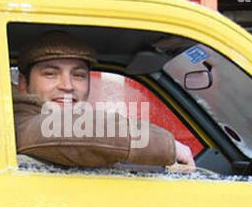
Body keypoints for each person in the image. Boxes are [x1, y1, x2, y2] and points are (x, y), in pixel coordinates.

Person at [12, 31, 195, 170]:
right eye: (50, 74)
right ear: (23, 83)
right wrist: (169, 147)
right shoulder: (21, 122)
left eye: (79, 75)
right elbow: (74, 130)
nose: (67, 85)